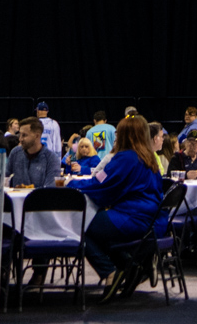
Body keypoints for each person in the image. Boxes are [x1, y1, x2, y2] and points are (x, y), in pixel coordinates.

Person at [76, 115, 166, 302]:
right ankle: (129, 265)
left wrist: (71, 188)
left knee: (78, 226)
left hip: (133, 218)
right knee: (99, 227)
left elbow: (101, 184)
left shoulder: (125, 158)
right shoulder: (149, 157)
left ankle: (110, 271)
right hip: (153, 220)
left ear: (123, 134)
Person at [7, 118, 61, 188]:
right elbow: (4, 178)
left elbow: (50, 189)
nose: (20, 139)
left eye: (24, 135)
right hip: (14, 198)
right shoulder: (15, 153)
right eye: (20, 135)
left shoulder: (51, 159)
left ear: (37, 136)